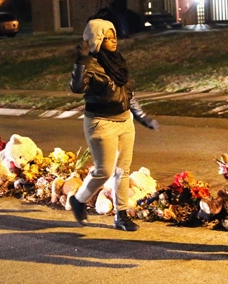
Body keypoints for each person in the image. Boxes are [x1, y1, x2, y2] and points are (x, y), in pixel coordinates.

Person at [68, 19, 159, 231]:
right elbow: (77, 87)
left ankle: (121, 215)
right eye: (107, 38)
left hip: (125, 120)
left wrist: (141, 117)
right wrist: (80, 61)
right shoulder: (89, 63)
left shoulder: (118, 62)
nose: (113, 41)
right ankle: (79, 200)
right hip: (101, 123)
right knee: (104, 171)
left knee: (122, 171)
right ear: (96, 40)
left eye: (114, 36)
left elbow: (128, 93)